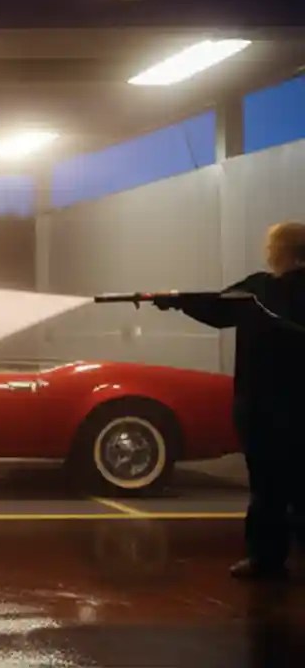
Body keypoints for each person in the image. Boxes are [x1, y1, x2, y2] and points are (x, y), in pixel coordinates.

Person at [157, 221, 305, 580]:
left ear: (280, 250)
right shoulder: (259, 290)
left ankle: (266, 560)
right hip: (284, 404)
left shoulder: (260, 289)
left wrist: (178, 302)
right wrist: (178, 301)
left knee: (267, 486)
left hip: (262, 405)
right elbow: (218, 308)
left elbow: (217, 311)